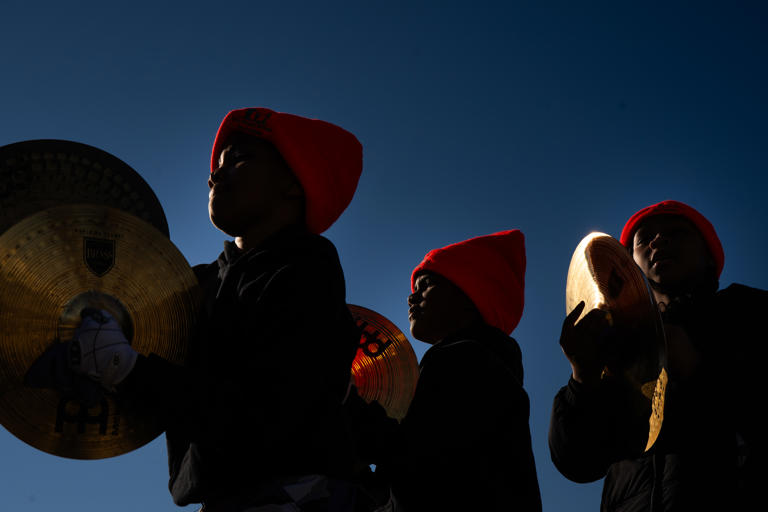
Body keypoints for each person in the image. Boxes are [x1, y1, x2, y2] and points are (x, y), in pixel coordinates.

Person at [30, 107, 366, 511]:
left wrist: (124, 366)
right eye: (216, 164)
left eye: (239, 158)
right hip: (225, 497)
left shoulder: (308, 268)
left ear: (295, 184)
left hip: (301, 494)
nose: (215, 174)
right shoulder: (197, 283)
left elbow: (269, 413)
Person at [549, 200, 767, 512]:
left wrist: (698, 372)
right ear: (628, 263)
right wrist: (581, 379)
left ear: (709, 257)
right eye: (644, 238)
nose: (658, 240)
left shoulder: (748, 312)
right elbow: (579, 463)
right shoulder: (618, 344)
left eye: (676, 233)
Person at [373, 230, 542, 511]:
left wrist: (363, 424)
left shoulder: (459, 363)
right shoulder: (493, 369)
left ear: (470, 295)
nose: (411, 299)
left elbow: (418, 470)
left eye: (426, 286)